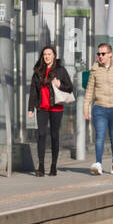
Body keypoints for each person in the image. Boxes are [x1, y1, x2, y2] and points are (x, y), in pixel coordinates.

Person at [27, 45, 73, 177]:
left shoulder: (60, 70)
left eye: (49, 54)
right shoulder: (38, 71)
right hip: (42, 107)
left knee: (54, 136)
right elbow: (33, 92)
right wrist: (31, 108)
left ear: (54, 55)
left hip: (56, 107)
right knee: (41, 135)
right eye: (45, 54)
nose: (47, 56)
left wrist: (60, 85)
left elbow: (70, 87)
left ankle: (53, 166)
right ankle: (41, 166)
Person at [83, 42, 113, 176]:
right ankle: (98, 164)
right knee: (100, 137)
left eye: (103, 54)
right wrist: (85, 108)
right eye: (98, 54)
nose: (100, 56)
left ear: (110, 54)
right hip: (99, 108)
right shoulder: (95, 69)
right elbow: (89, 89)